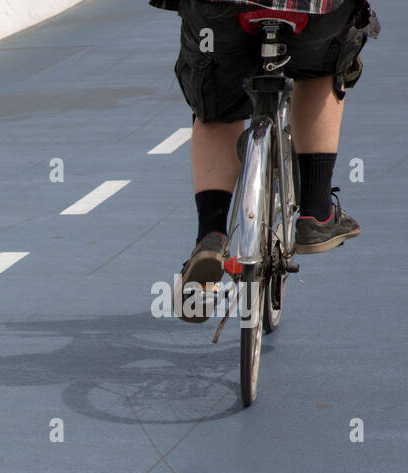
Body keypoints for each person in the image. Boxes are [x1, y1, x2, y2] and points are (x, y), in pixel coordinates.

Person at [150, 0, 380, 320]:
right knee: (324, 65)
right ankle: (316, 214)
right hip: (315, 10)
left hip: (221, 12)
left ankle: (211, 237)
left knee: (216, 99)